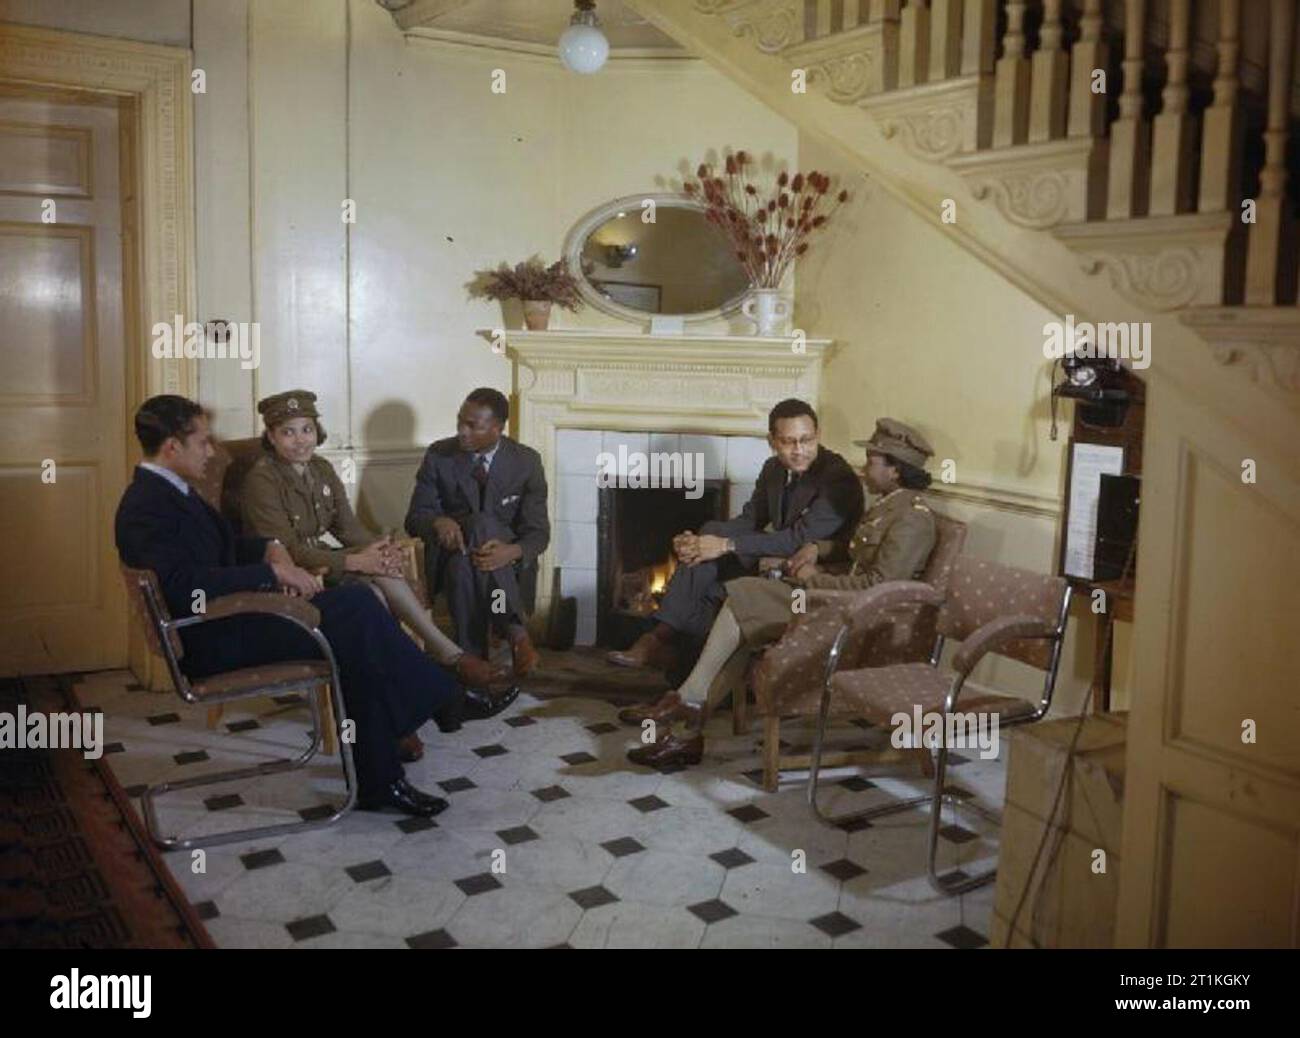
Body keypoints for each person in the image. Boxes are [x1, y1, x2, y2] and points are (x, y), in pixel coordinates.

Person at [115, 395, 516, 818]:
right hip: (208, 635)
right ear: (172, 447)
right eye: (202, 442)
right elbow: (183, 588)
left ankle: (381, 779)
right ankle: (443, 702)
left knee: (355, 626)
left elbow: (220, 552)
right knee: (355, 613)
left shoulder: (174, 491)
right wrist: (273, 575)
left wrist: (267, 548)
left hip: (228, 618)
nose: (211, 451)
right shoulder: (147, 506)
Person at [625, 417, 938, 769]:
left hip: (856, 616)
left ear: (895, 471)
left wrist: (813, 578)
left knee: (743, 597)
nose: (865, 468)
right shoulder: (889, 506)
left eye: (873, 461)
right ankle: (687, 723)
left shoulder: (912, 517)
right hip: (837, 599)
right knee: (744, 621)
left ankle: (687, 704)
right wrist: (819, 549)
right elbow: (857, 554)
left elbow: (878, 585)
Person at [239, 389, 509, 697]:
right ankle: (442, 662)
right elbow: (287, 549)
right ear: (271, 437)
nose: (301, 440)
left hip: (324, 563)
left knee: (380, 579)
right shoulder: (262, 480)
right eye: (288, 433)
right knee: (374, 588)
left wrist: (382, 549)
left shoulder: (321, 469)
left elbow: (350, 530)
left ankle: (408, 678)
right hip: (289, 575)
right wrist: (358, 561)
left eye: (307, 430)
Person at [607, 398, 863, 676]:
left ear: (818, 436)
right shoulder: (773, 469)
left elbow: (797, 539)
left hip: (808, 571)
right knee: (708, 543)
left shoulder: (838, 479)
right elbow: (750, 520)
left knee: (711, 585)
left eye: (807, 440)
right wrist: (700, 541)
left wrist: (725, 545)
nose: (799, 450)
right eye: (789, 442)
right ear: (772, 441)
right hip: (775, 560)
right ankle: (666, 647)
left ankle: (664, 645)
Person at [405, 388, 548, 678]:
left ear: (498, 428)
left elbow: (538, 532)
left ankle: (472, 662)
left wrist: (512, 551)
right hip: (451, 551)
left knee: (465, 565)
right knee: (476, 533)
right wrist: (438, 522)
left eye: (473, 426)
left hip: (503, 561)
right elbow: (415, 518)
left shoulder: (526, 461)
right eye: (460, 422)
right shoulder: (439, 455)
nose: (462, 432)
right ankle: (517, 634)